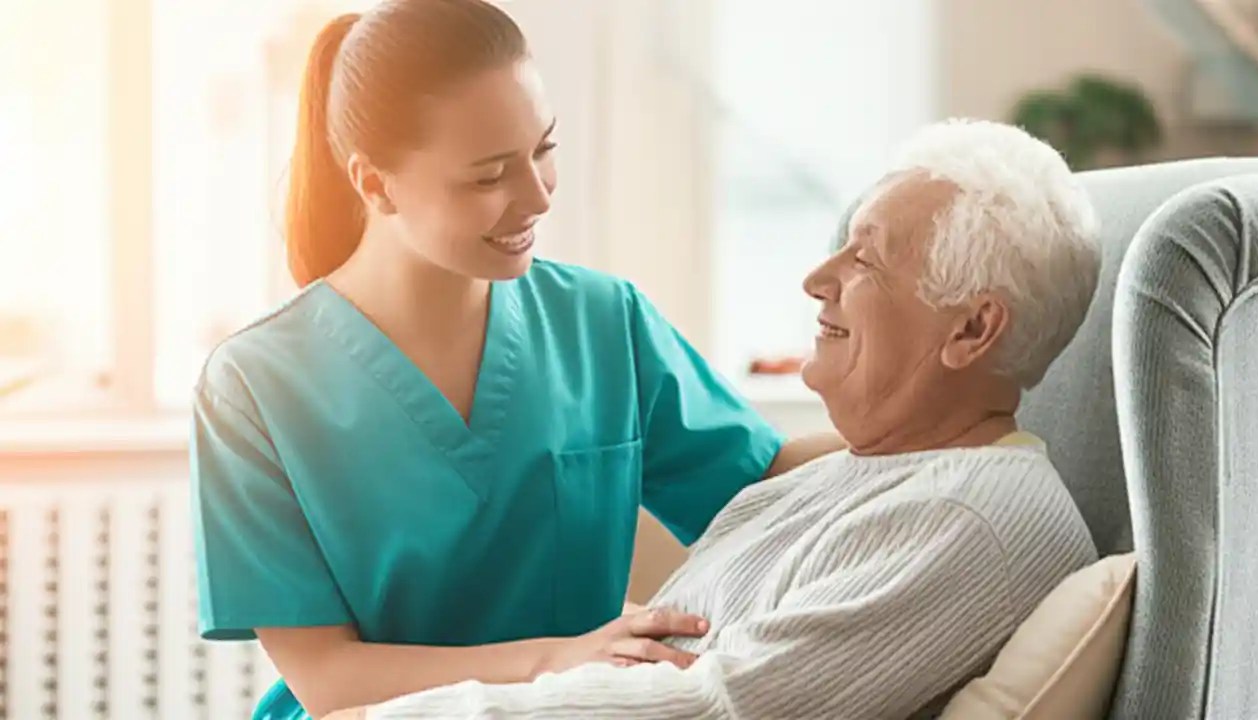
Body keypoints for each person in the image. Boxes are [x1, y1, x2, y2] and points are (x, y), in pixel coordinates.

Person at [322, 119, 1104, 720]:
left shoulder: (965, 518)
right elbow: (678, 656)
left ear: (971, 331)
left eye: (865, 259)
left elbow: (714, 706)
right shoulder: (871, 470)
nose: (816, 278)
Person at [189, 1, 844, 719]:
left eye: (544, 149)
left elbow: (764, 480)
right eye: (488, 176)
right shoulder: (252, 388)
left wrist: (965, 416)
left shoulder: (603, 322)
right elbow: (329, 680)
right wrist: (557, 660)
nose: (535, 197)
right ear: (374, 184)